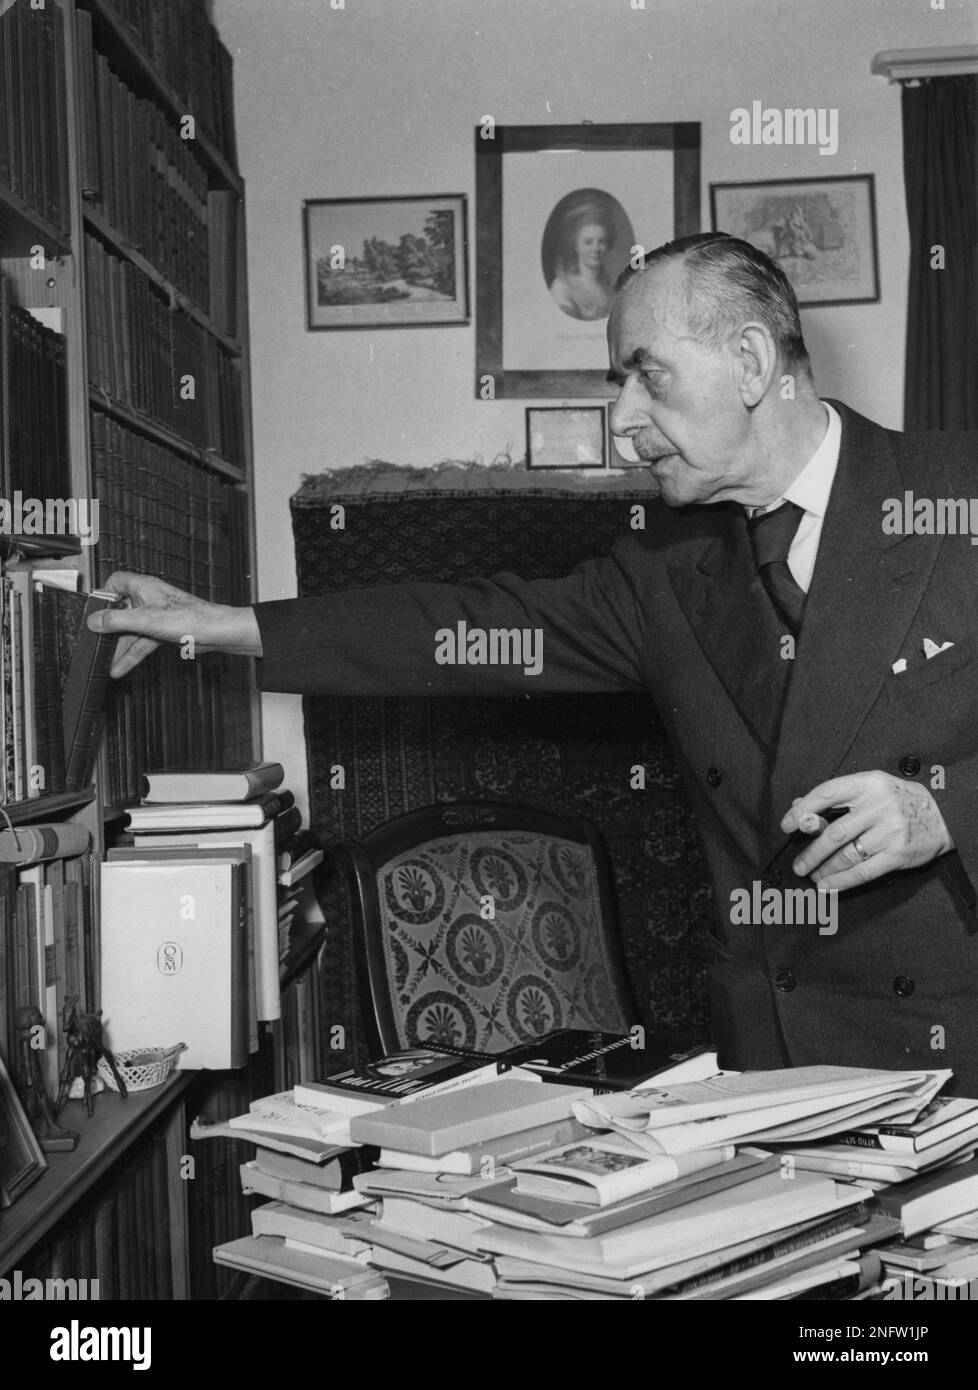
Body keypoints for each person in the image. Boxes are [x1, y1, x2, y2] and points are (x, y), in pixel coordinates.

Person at [89, 232, 978, 1093]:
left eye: (647, 375)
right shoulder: (668, 571)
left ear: (750, 364)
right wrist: (225, 623)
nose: (624, 419)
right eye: (618, 383)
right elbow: (459, 630)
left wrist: (941, 810)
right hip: (773, 1067)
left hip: (953, 1063)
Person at [547, 199, 617, 321]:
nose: (596, 248)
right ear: (575, 245)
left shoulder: (607, 286)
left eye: (601, 242)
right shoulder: (562, 288)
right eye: (588, 242)